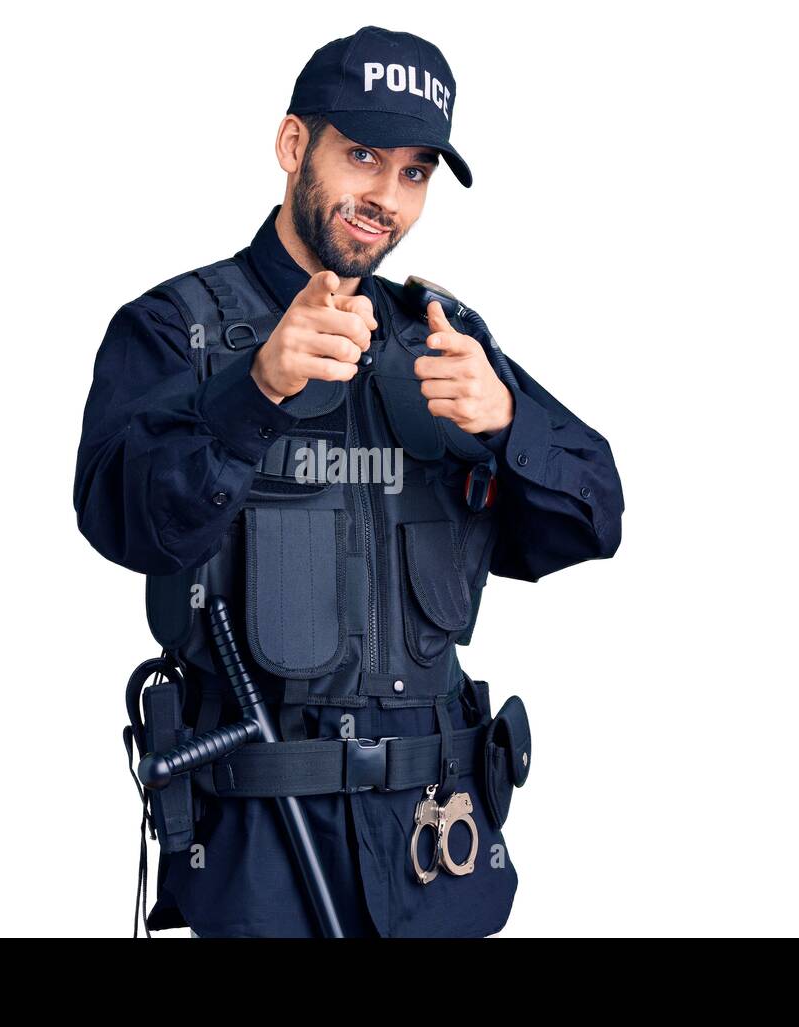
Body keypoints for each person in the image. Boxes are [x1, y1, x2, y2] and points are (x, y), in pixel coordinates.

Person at [74, 25, 624, 937]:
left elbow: (592, 516)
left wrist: (508, 425)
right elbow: (124, 520)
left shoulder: (442, 338)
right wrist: (252, 395)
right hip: (262, 861)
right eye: (362, 156)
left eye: (413, 172)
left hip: (436, 856)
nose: (385, 197)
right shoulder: (180, 330)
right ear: (295, 146)